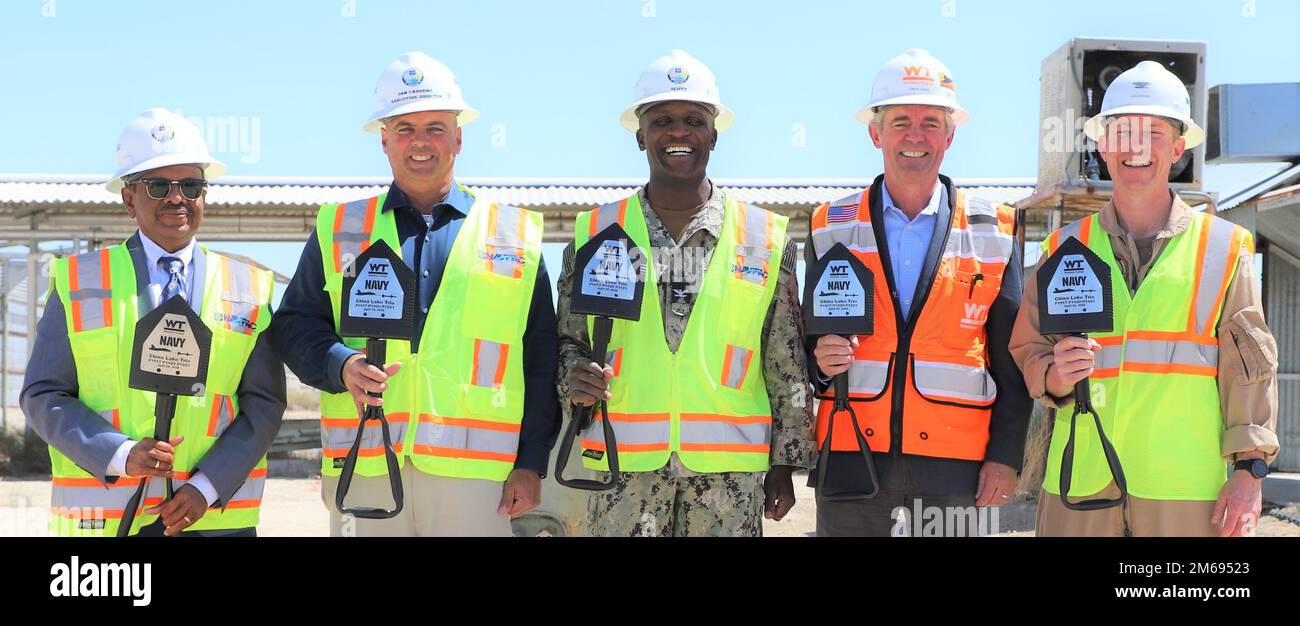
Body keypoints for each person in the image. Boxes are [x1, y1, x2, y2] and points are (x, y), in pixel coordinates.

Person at [272, 52, 559, 537]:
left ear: (459, 137)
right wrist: (340, 363)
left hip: (477, 479)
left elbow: (540, 357)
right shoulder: (340, 229)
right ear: (384, 139)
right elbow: (295, 325)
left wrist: (531, 461)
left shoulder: (513, 235)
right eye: (404, 128)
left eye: (435, 127)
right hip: (365, 469)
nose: (420, 142)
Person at [1010, 61, 1280, 537]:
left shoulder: (1224, 247)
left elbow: (1250, 369)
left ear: (1178, 148)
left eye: (1154, 132)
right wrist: (1053, 374)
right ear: (1103, 145)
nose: (1137, 146)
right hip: (1079, 485)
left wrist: (1249, 470)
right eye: (1123, 131)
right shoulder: (1062, 249)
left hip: (1186, 492)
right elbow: (1029, 350)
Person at [556, 50, 815, 537]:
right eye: (662, 121)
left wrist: (786, 461)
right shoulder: (596, 234)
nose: (678, 132)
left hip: (728, 477)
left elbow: (784, 357)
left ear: (713, 135)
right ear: (640, 136)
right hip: (621, 468)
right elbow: (569, 341)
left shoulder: (764, 238)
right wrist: (573, 380)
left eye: (693, 120)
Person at [22, 108, 285, 537]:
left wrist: (206, 485)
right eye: (158, 185)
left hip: (215, 519)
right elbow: (43, 394)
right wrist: (121, 454)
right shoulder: (79, 281)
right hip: (108, 521)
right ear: (129, 199)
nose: (176, 198)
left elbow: (264, 403)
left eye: (191, 185)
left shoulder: (249, 287)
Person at [806, 49, 1031, 537]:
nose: (915, 135)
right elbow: (803, 341)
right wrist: (818, 360)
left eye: (931, 122)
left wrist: (1005, 456)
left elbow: (1012, 358)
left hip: (958, 466)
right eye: (901, 120)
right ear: (875, 132)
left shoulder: (996, 229)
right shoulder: (829, 226)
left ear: (950, 136)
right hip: (853, 454)